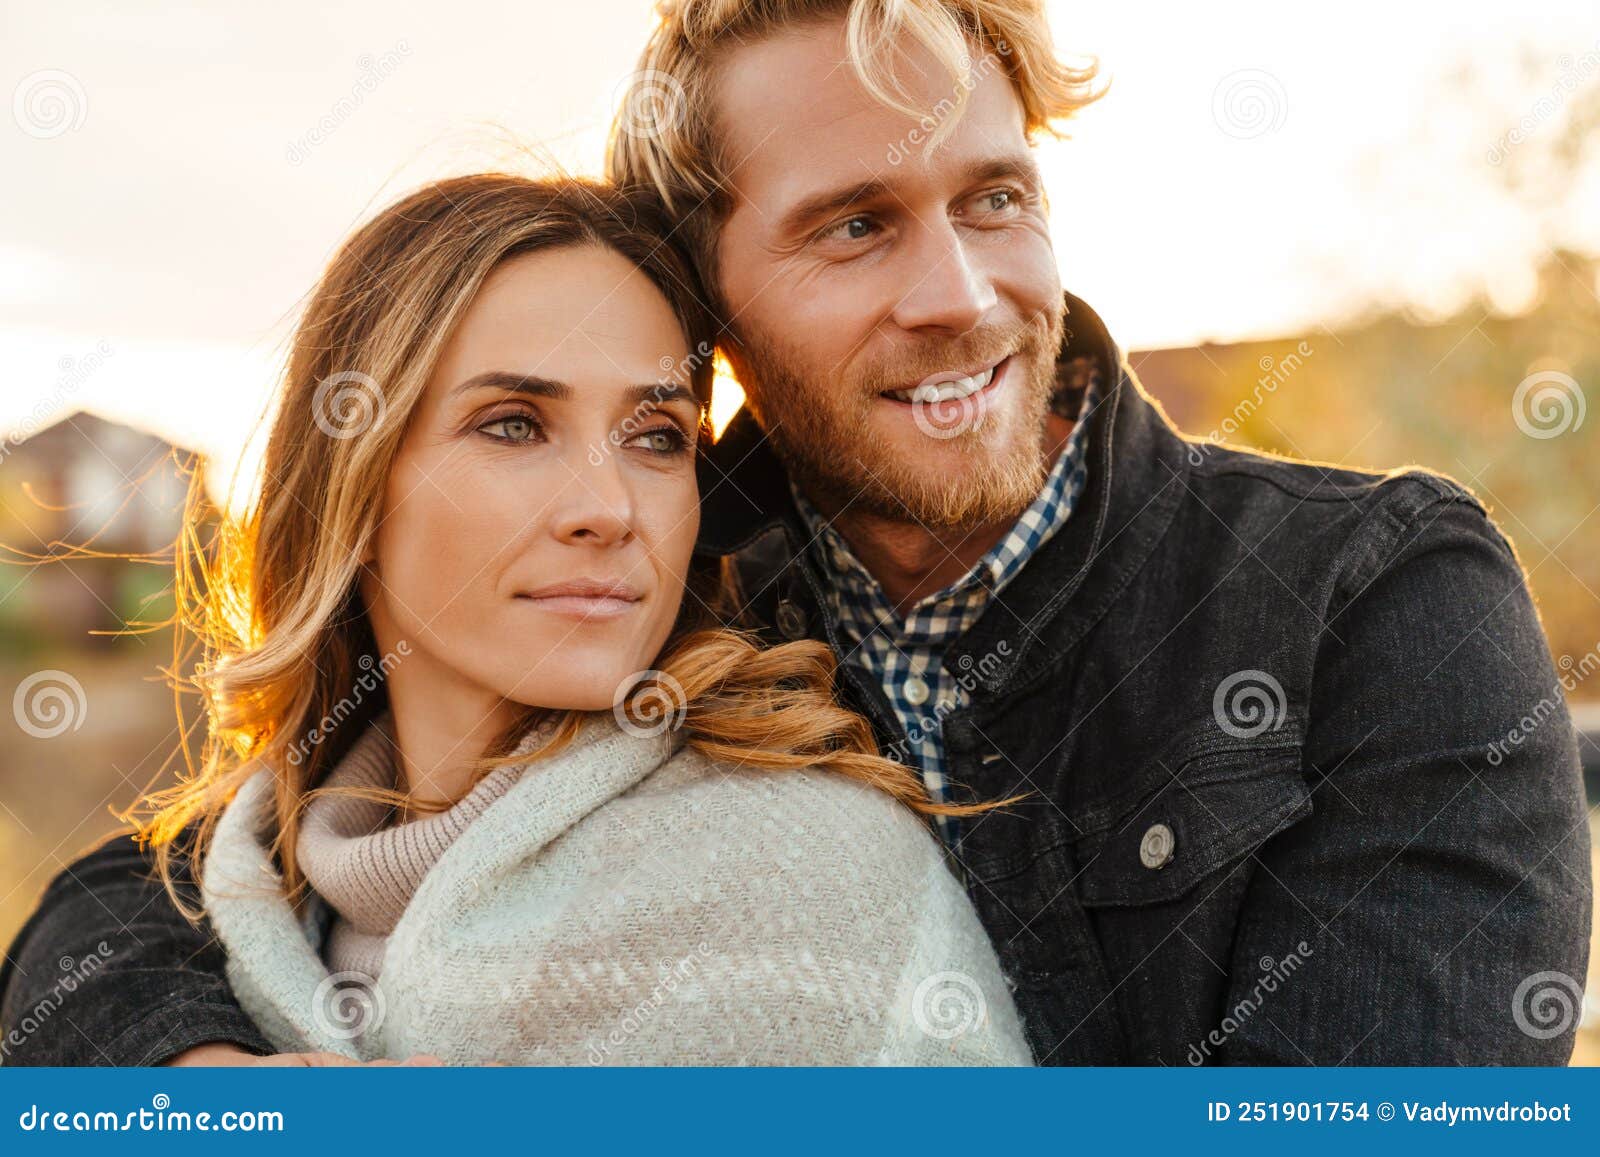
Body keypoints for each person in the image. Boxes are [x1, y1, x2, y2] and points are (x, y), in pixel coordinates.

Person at [3, 0, 1590, 1066]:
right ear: (714, 302)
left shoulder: (1365, 600)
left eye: (994, 199)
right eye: (855, 225)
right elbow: (162, 888)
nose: (963, 297)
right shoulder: (647, 569)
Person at [2, 173, 1033, 1067]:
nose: (608, 507)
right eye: (513, 424)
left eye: (656, 435)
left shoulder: (813, 882)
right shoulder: (243, 886)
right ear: (352, 493)